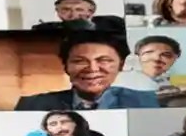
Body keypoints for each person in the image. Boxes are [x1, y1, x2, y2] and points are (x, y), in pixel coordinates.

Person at [13, 31, 160, 111]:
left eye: (104, 60)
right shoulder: (31, 105)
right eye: (79, 61)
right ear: (66, 66)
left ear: (120, 66)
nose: (92, 69)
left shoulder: (148, 102)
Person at [113, 35, 186, 107]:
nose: (156, 58)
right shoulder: (120, 81)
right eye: (148, 53)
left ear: (175, 58)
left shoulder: (169, 82)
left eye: (166, 55)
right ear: (137, 56)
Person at [31, 0, 125, 32]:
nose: (73, 14)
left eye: (79, 10)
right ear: (58, 12)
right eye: (66, 9)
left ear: (91, 12)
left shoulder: (113, 23)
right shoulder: (45, 29)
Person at [19, 110, 111, 136]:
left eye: (64, 122)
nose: (59, 127)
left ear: (76, 124)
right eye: (53, 124)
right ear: (47, 128)